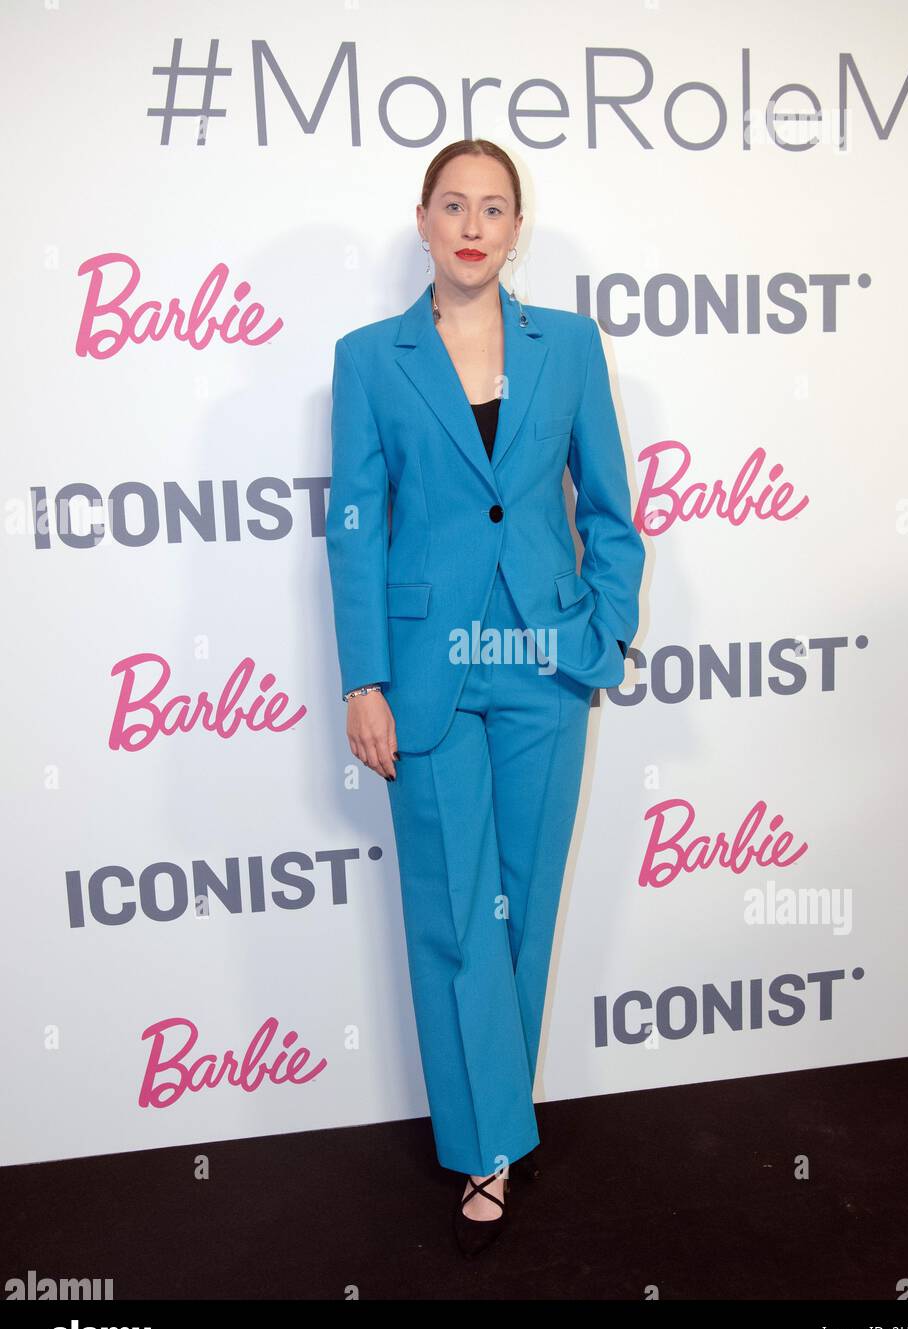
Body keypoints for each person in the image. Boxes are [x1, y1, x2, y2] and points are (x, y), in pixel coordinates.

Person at [325, 138, 645, 1256]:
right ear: (422, 221)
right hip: (427, 672)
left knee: (524, 899)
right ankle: (486, 1147)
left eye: (493, 207)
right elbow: (353, 528)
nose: (471, 224)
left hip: (544, 660)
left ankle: (489, 1121)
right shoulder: (371, 358)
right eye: (452, 204)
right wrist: (362, 676)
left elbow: (608, 506)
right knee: (453, 912)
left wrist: (600, 629)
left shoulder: (569, 350)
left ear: (517, 229)